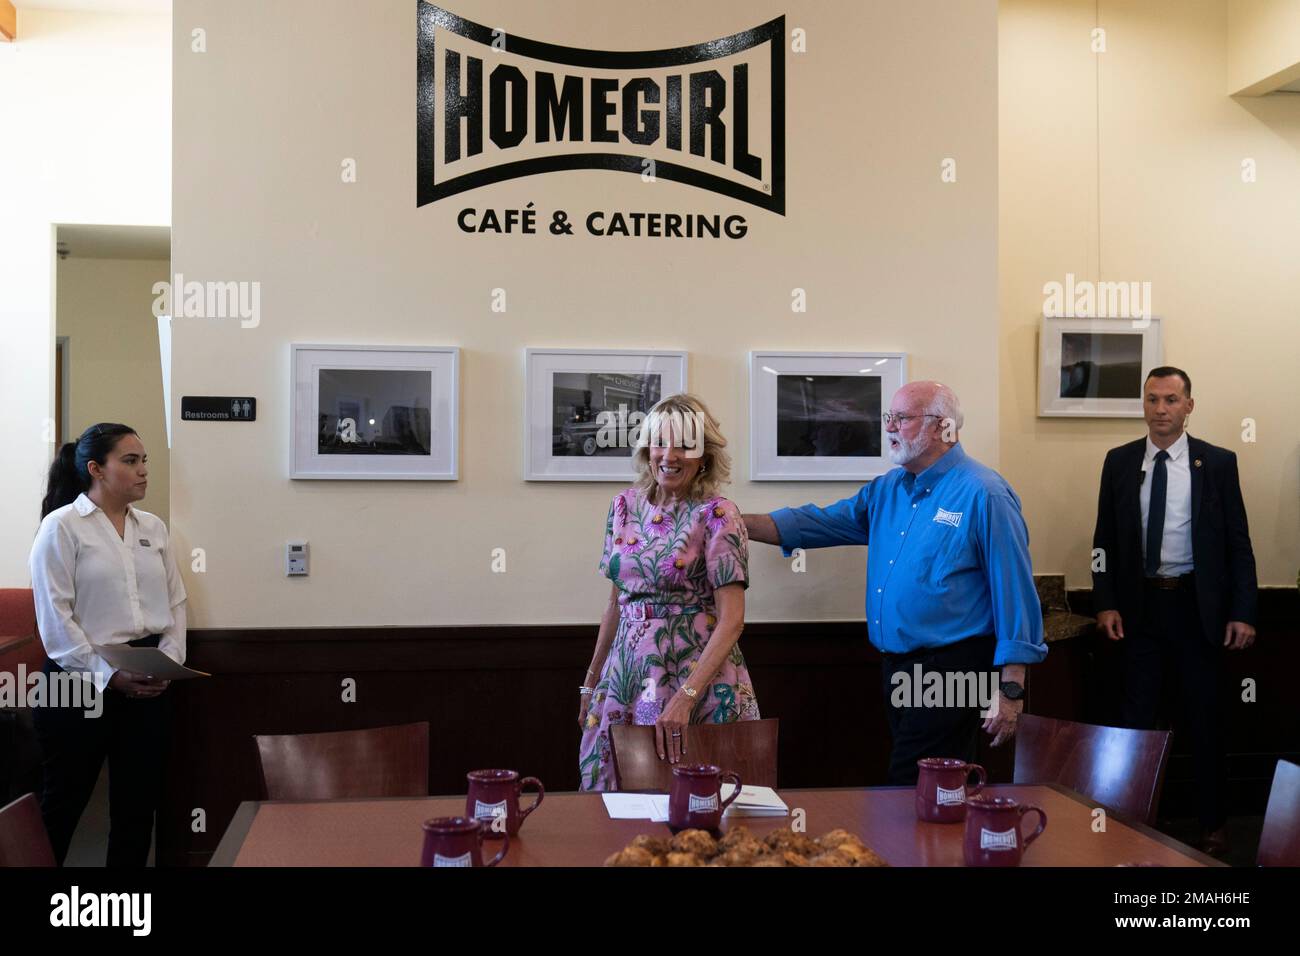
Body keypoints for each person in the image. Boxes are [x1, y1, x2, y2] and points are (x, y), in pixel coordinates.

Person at [744, 382, 1045, 784]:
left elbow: (1015, 591)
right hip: (897, 665)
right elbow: (819, 523)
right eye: (889, 417)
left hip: (955, 668)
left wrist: (1012, 688)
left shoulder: (984, 493)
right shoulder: (887, 489)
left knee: (911, 782)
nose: (889, 428)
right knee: (939, 787)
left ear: (943, 427)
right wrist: (735, 522)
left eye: (902, 418)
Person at [1091, 366, 1257, 856]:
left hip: (1198, 609)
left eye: (1170, 400)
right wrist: (1105, 602)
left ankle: (1214, 825)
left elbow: (1238, 544)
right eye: (1152, 400)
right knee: (1138, 719)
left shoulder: (1218, 463)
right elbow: (1103, 541)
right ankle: (1138, 818)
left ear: (1188, 406)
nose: (1160, 410)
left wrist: (1243, 611)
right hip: (1140, 608)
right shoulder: (1119, 462)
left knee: (1205, 718)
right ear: (1142, 405)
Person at [578, 394, 759, 790]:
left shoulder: (718, 514)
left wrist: (686, 697)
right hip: (626, 675)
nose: (668, 455)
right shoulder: (622, 506)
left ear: (704, 455)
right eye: (660, 442)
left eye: (683, 445)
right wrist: (591, 681)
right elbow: (615, 603)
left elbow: (733, 620)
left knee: (697, 800)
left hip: (697, 677)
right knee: (613, 795)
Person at [28, 423, 187, 866]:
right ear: (96, 469)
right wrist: (111, 677)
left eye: (144, 461)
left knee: (137, 810)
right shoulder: (61, 528)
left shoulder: (152, 527)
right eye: (130, 461)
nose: (143, 471)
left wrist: (168, 664)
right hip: (77, 682)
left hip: (148, 678)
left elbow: (175, 603)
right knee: (63, 804)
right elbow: (56, 623)